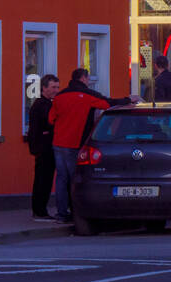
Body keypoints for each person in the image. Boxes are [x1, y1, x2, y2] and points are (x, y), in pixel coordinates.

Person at [48, 68, 134, 224]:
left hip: (58, 143)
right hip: (75, 144)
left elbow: (51, 119)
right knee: (76, 179)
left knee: (61, 178)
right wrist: (128, 100)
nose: (88, 82)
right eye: (87, 79)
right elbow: (107, 103)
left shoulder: (60, 96)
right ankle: (77, 213)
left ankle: (61, 213)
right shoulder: (87, 96)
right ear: (83, 78)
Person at [26, 74, 59, 221]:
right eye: (53, 87)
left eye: (57, 87)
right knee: (43, 180)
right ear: (44, 88)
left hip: (42, 146)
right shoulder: (42, 105)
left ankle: (40, 210)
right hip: (43, 147)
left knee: (44, 179)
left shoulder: (44, 104)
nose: (56, 90)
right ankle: (40, 211)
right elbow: (49, 123)